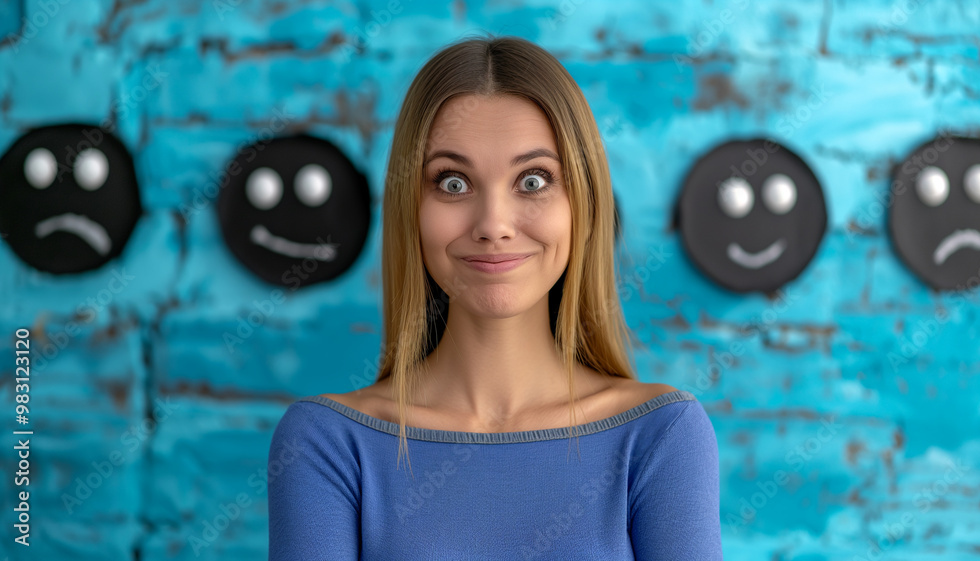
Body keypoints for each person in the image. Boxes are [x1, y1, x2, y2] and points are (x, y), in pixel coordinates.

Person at [268, 33, 722, 560]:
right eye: (453, 183)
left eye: (533, 181)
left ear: (583, 203)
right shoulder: (328, 444)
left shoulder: (660, 436)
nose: (493, 225)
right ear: (410, 209)